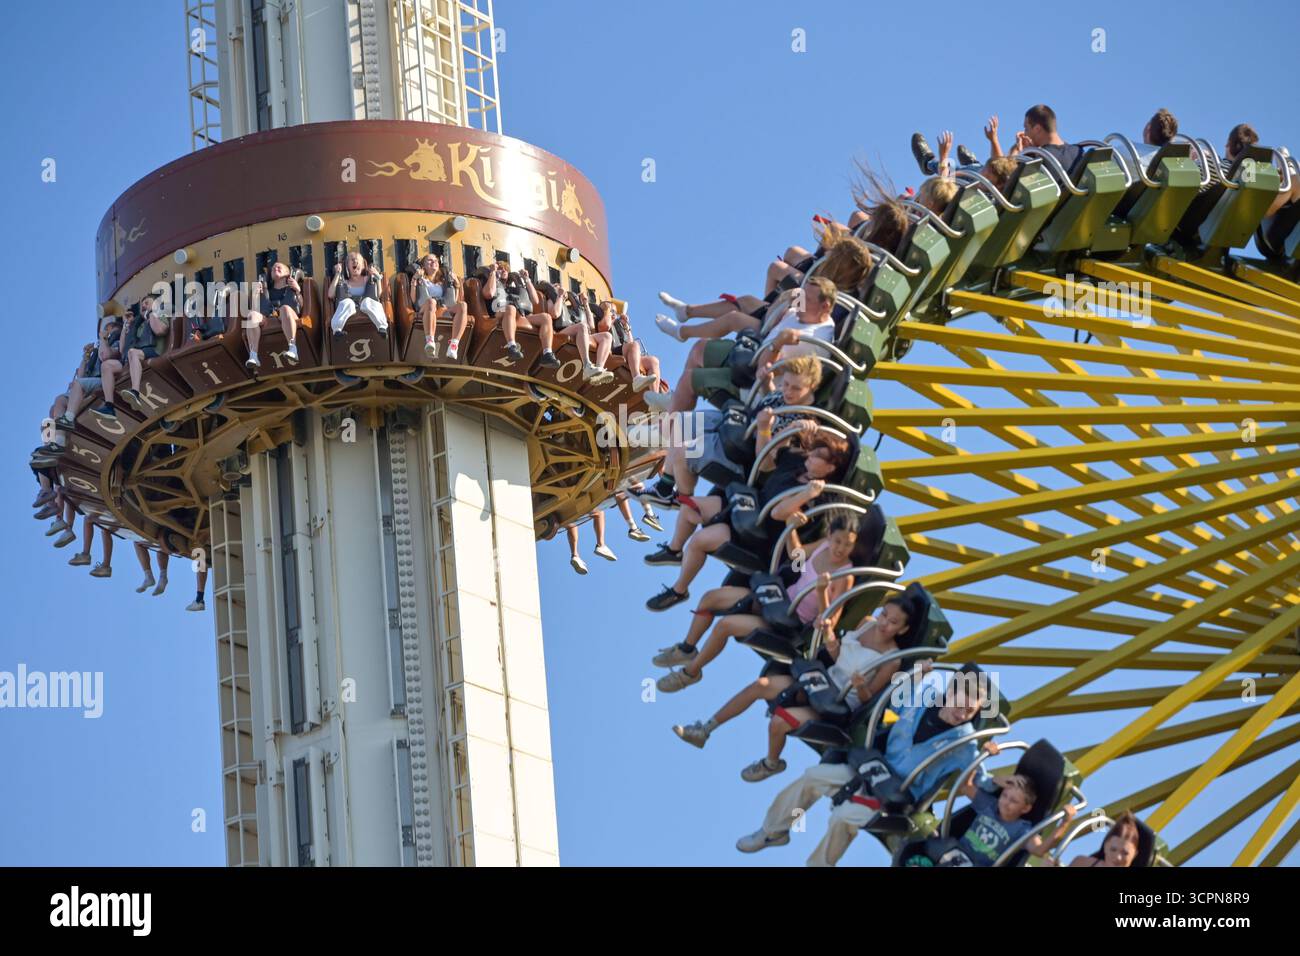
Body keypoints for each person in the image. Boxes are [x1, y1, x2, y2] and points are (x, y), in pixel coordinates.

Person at [735, 661, 992, 865]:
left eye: (969, 712)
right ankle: (774, 831)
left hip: (896, 796)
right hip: (873, 769)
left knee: (844, 816)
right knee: (813, 777)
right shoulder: (924, 698)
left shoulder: (965, 743)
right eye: (960, 705)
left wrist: (988, 754)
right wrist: (916, 675)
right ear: (949, 694)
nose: (961, 714)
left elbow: (983, 783)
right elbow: (893, 702)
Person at [674, 593, 909, 786]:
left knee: (778, 723)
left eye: (893, 622)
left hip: (838, 703)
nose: (884, 623)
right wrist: (829, 636)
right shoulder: (867, 623)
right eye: (884, 614)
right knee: (760, 686)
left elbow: (869, 698)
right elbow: (838, 655)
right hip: (822, 681)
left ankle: (771, 763)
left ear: (903, 630)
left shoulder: (892, 659)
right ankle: (705, 730)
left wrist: (860, 686)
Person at [644, 426, 851, 610]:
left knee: (699, 541)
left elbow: (778, 513)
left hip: (759, 536)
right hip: (749, 507)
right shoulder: (798, 462)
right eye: (813, 450)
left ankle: (679, 591)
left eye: (818, 455)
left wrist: (807, 493)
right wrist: (781, 429)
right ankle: (675, 551)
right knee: (688, 510)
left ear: (830, 468)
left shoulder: (821, 497)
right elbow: (765, 460)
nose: (810, 455)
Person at [653, 514, 858, 691]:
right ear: (829, 535)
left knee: (725, 626)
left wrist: (822, 592)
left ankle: (690, 673)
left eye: (848, 544)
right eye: (838, 541)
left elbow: (828, 621)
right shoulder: (823, 546)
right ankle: (686, 649)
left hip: (788, 622)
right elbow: (797, 562)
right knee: (710, 598)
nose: (840, 548)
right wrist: (791, 529)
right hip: (776, 599)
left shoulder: (845, 576)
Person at [639, 354, 823, 507]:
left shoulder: (803, 423)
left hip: (743, 456)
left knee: (683, 452)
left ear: (811, 387)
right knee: (679, 422)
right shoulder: (786, 396)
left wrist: (764, 428)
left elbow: (765, 464)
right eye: (786, 384)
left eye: (796, 388)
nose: (788, 391)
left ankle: (681, 500)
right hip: (738, 427)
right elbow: (771, 402)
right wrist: (767, 383)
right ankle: (664, 488)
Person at [644, 277, 840, 414]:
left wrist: (777, 343)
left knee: (689, 379)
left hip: (755, 384)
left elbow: (765, 368)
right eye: (802, 295)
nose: (801, 301)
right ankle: (675, 400)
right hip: (754, 352)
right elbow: (769, 322)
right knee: (700, 349)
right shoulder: (807, 313)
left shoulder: (808, 340)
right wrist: (784, 300)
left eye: (807, 299)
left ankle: (666, 430)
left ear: (825, 306)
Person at [653, 234, 871, 343]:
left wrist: (791, 299)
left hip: (782, 331)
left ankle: (683, 332)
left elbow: (809, 313)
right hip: (784, 316)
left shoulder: (836, 294)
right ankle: (687, 311)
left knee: (734, 318)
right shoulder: (840, 286)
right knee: (746, 301)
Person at [903, 767, 1075, 866]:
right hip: (951, 851)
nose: (1005, 802)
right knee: (916, 858)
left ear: (1025, 808)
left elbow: (1040, 850)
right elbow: (965, 786)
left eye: (1013, 801)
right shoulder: (989, 805)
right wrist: (994, 780)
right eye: (1005, 796)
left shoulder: (1023, 831)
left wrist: (1065, 823)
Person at [482, 261, 559, 367]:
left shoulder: (514, 288)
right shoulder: (493, 282)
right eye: (500, 268)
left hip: (520, 315)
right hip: (500, 313)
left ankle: (547, 354)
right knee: (511, 308)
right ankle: (511, 346)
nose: (503, 270)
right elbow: (489, 293)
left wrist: (526, 279)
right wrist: (492, 272)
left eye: (505, 268)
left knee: (546, 317)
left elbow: (535, 300)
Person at [540, 284, 613, 383]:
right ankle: (587, 366)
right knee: (581, 326)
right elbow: (555, 314)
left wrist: (585, 304)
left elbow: (591, 327)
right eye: (557, 286)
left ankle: (599, 370)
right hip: (559, 332)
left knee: (607, 336)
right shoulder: (551, 300)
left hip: (579, 332)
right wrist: (560, 296)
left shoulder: (570, 308)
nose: (561, 287)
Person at [1223, 123, 1300, 215]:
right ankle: (1287, 167)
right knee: (1295, 180)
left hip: (1240, 206)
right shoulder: (1251, 169)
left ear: (1228, 144)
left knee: (1291, 177)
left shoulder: (1218, 166)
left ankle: (1286, 169)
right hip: (1250, 210)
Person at [409, 252, 471, 360]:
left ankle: (454, 345)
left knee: (463, 305)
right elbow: (414, 299)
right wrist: (414, 279)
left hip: (443, 308)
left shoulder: (443, 280)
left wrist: (456, 283)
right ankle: (430, 341)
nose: (434, 262)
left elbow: (454, 300)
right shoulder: (420, 279)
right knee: (431, 302)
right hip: (426, 307)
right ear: (423, 265)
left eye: (436, 260)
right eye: (430, 260)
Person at [245, 261, 304, 370]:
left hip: (288, 316)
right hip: (268, 317)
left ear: (288, 273)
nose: (275, 269)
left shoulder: (292, 288)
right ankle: (253, 355)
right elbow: (256, 310)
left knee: (285, 308)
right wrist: (255, 296)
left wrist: (298, 291)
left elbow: (301, 307)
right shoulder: (266, 291)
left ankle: (293, 348)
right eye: (273, 269)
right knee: (251, 316)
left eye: (279, 267)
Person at [597, 301, 660, 393]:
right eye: (612, 311)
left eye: (615, 312)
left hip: (623, 350)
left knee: (653, 361)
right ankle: (636, 378)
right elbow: (605, 326)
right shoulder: (601, 318)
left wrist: (626, 327)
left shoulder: (617, 325)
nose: (614, 314)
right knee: (634, 345)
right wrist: (608, 312)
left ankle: (654, 396)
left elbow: (631, 342)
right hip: (608, 350)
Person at [1005, 104, 1082, 174]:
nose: (1025, 133)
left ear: (1037, 129)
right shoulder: (1078, 152)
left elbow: (1006, 179)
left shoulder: (1037, 162)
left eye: (1026, 128)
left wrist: (1018, 152)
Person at [329, 251, 388, 338]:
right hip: (349, 309)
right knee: (347, 303)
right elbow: (330, 295)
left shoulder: (369, 279)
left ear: (363, 265)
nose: (355, 261)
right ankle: (337, 330)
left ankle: (382, 327)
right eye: (352, 260)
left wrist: (378, 278)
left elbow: (378, 295)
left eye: (357, 260)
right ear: (347, 266)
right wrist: (337, 274)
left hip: (365, 307)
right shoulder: (343, 282)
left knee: (368, 302)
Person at [1067, 811, 1142, 867]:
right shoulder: (1082, 863)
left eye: (1125, 853)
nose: (1118, 857)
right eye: (1113, 849)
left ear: (1134, 855)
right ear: (1105, 847)